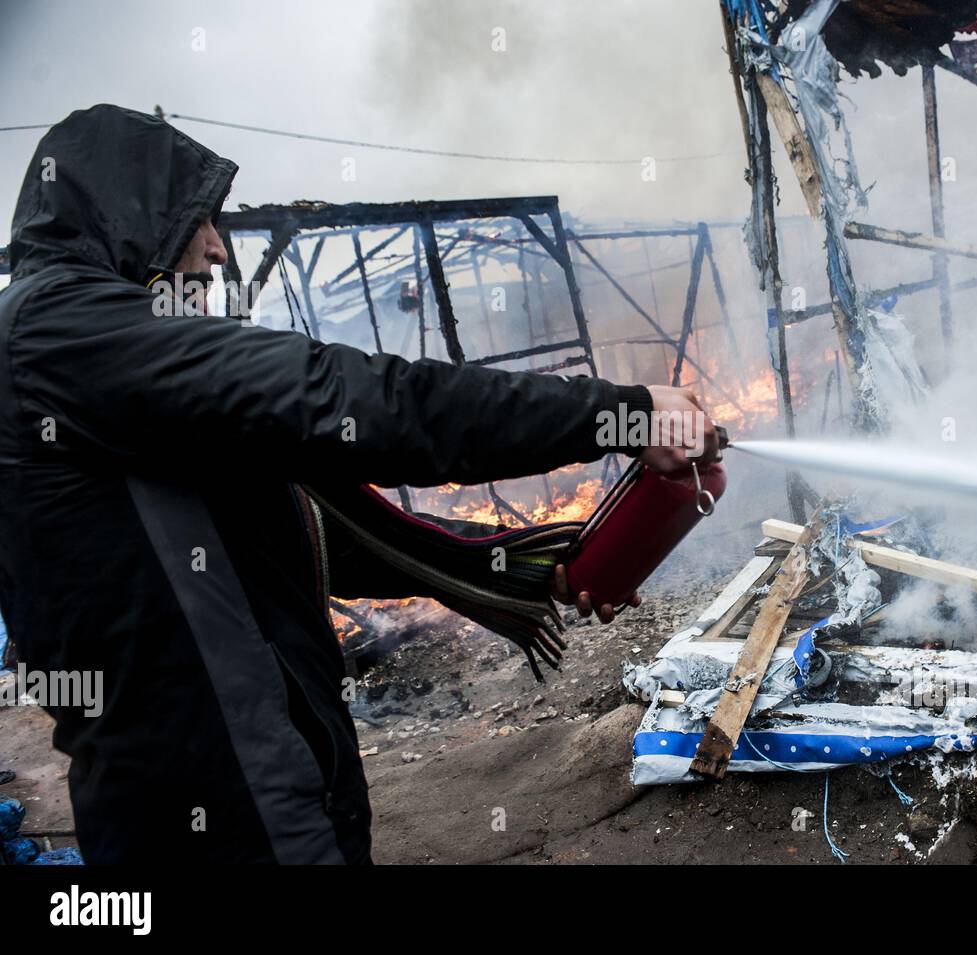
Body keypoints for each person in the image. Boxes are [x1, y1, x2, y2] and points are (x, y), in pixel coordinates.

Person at [0, 104, 718, 863]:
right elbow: (356, 400)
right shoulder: (57, 332)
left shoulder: (98, 366)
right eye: (198, 220)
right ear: (127, 212)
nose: (217, 248)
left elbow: (306, 534)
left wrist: (526, 562)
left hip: (261, 780)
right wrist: (622, 414)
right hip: (222, 803)